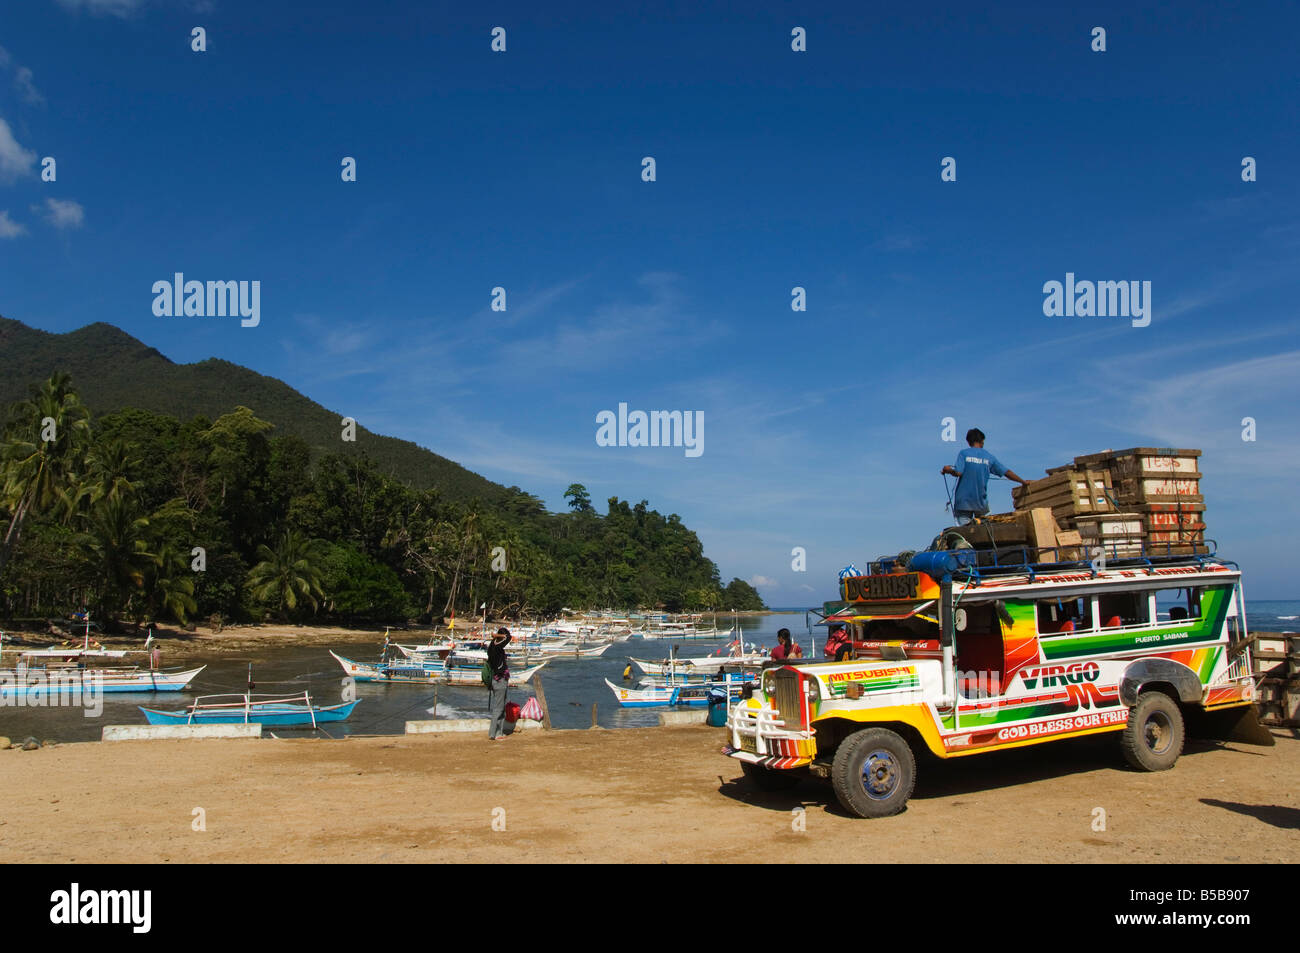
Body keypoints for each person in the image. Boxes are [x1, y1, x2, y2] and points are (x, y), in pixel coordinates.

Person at [941, 428, 1030, 524]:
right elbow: (1007, 472)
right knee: (983, 529)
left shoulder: (964, 453)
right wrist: (1023, 482)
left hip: (963, 502)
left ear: (969, 442)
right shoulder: (988, 457)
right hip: (980, 503)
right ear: (982, 441)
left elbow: (958, 472)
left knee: (965, 533)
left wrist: (948, 470)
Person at [487, 627, 513, 741]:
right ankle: (495, 733)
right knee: (498, 708)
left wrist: (496, 636)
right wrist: (500, 635)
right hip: (499, 680)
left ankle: (499, 732)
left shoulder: (492, 645)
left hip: (497, 680)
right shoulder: (497, 647)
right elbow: (508, 637)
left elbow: (506, 637)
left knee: (500, 707)